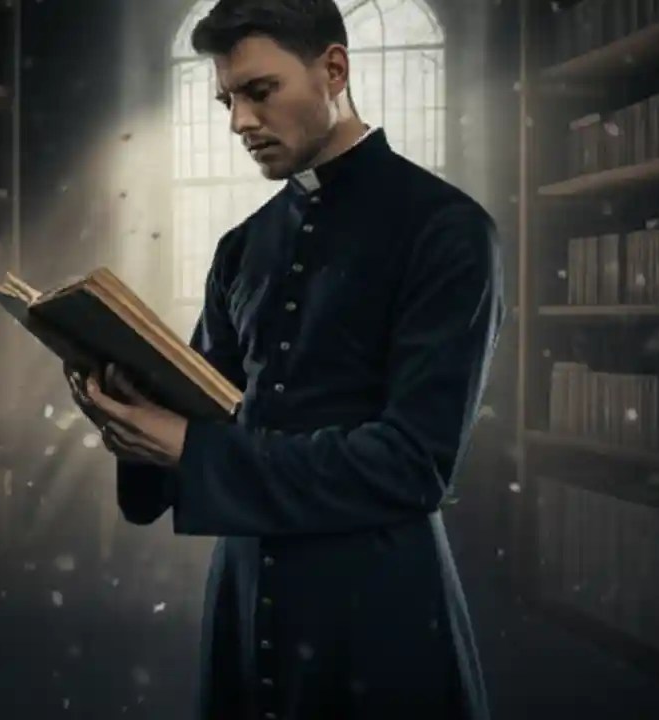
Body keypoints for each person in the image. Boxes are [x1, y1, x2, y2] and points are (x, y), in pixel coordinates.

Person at [65, 1, 504, 717]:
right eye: (227, 99)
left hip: (377, 611)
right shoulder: (240, 247)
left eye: (259, 91)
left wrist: (190, 448)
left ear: (333, 70)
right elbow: (199, 417)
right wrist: (124, 405)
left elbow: (413, 463)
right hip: (245, 599)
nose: (239, 121)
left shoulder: (448, 231)